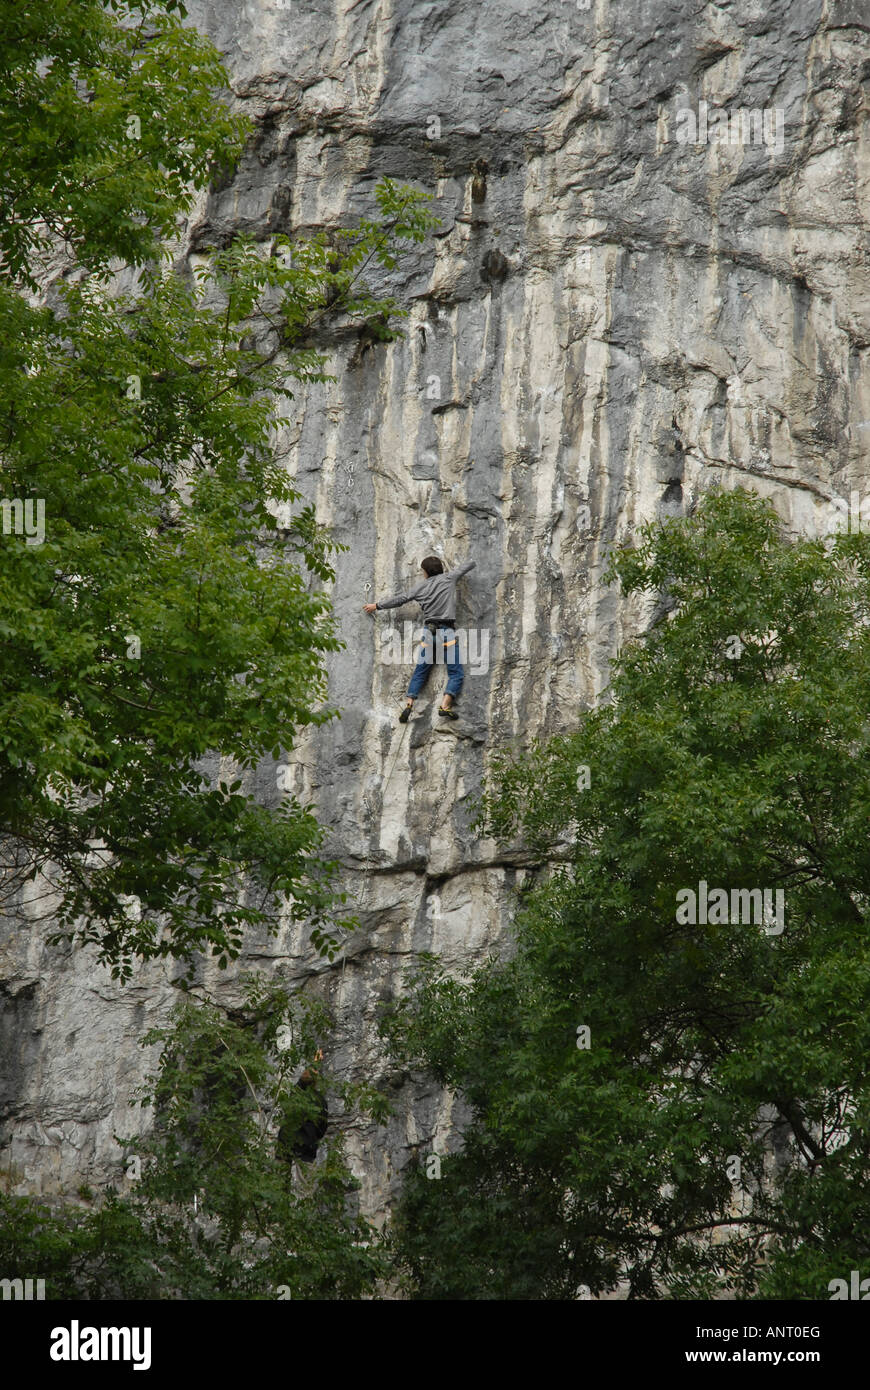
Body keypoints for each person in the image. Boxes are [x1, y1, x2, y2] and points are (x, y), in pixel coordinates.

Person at [364, 555, 476, 723]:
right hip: (446, 631)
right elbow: (470, 563)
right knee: (456, 673)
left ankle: (409, 704)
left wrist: (377, 606)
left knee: (421, 672)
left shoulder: (420, 588)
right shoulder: (449, 578)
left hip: (429, 633)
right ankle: (445, 706)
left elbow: (400, 599)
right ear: (440, 569)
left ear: (425, 572)